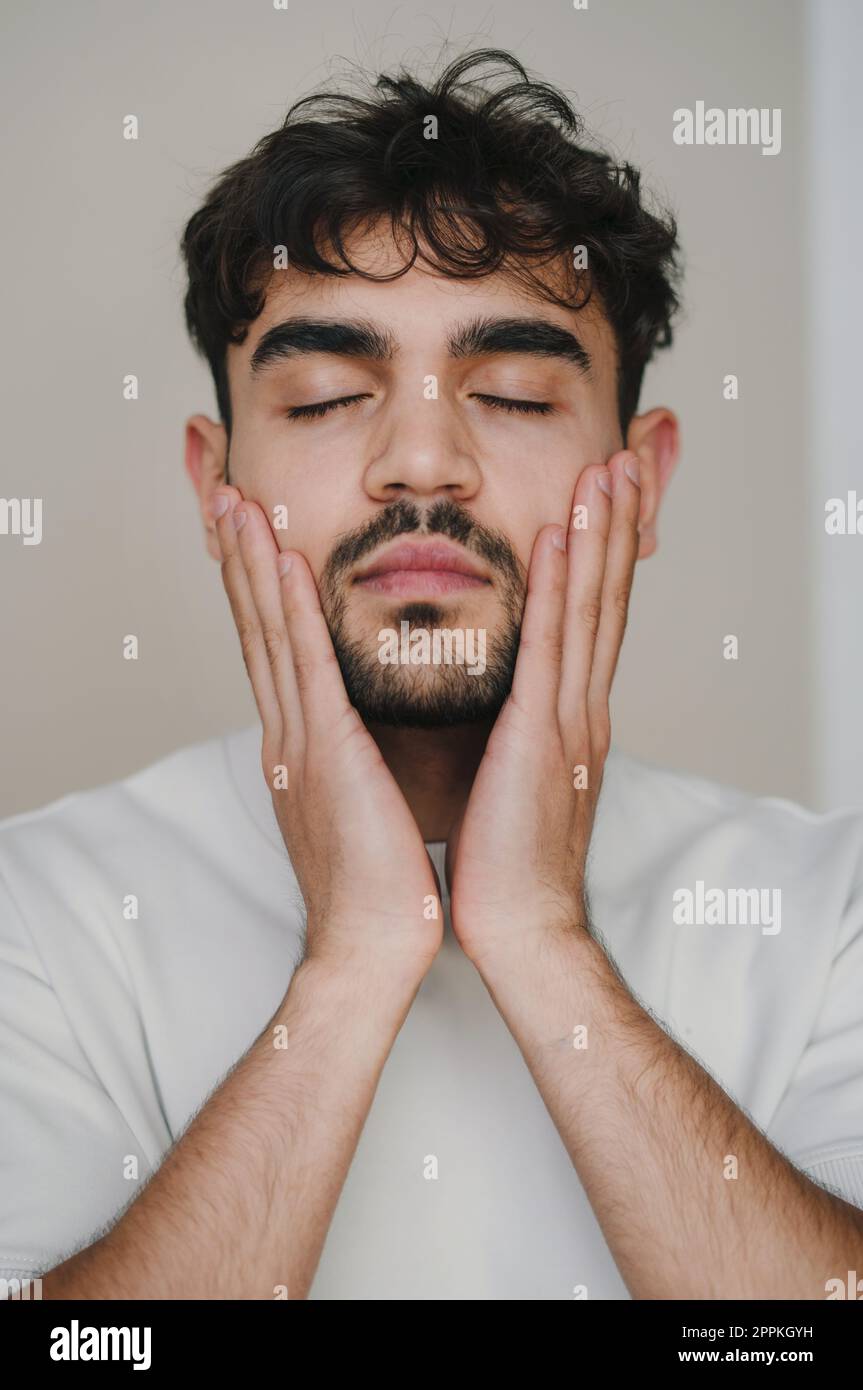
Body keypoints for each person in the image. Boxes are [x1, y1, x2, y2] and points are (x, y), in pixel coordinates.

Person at [2, 48, 862, 1302]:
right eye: (325, 396)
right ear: (215, 485)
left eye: (509, 394)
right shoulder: (33, 916)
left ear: (645, 482)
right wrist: (350, 963)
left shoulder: (824, 913)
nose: (420, 462)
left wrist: (541, 938)